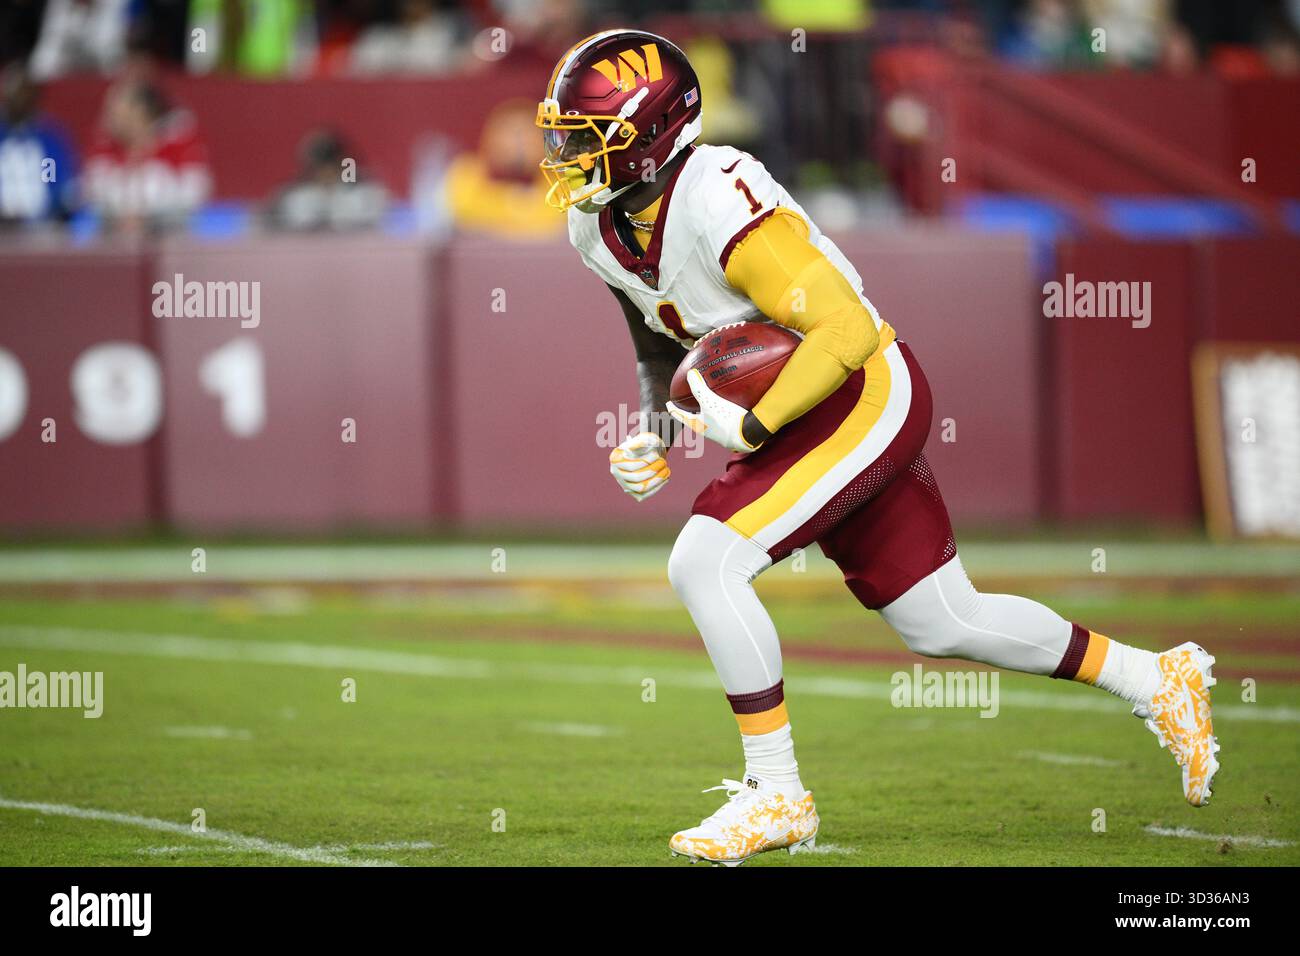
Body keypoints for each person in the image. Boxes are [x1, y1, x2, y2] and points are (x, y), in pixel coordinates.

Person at [536, 29, 1219, 867]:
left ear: (650, 135)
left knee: (704, 560)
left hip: (859, 388)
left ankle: (777, 792)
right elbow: (661, 344)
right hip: (799, 408)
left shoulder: (716, 193)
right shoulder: (593, 227)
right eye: (564, 134)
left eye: (585, 136)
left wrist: (748, 428)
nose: (566, 154)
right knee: (943, 619)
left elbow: (847, 329)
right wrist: (655, 427)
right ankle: (1157, 678)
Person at [0, 65, 78, 227]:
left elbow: (59, 182)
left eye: (24, 93)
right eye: (14, 94)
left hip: (42, 227)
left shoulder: (50, 139)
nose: (19, 100)